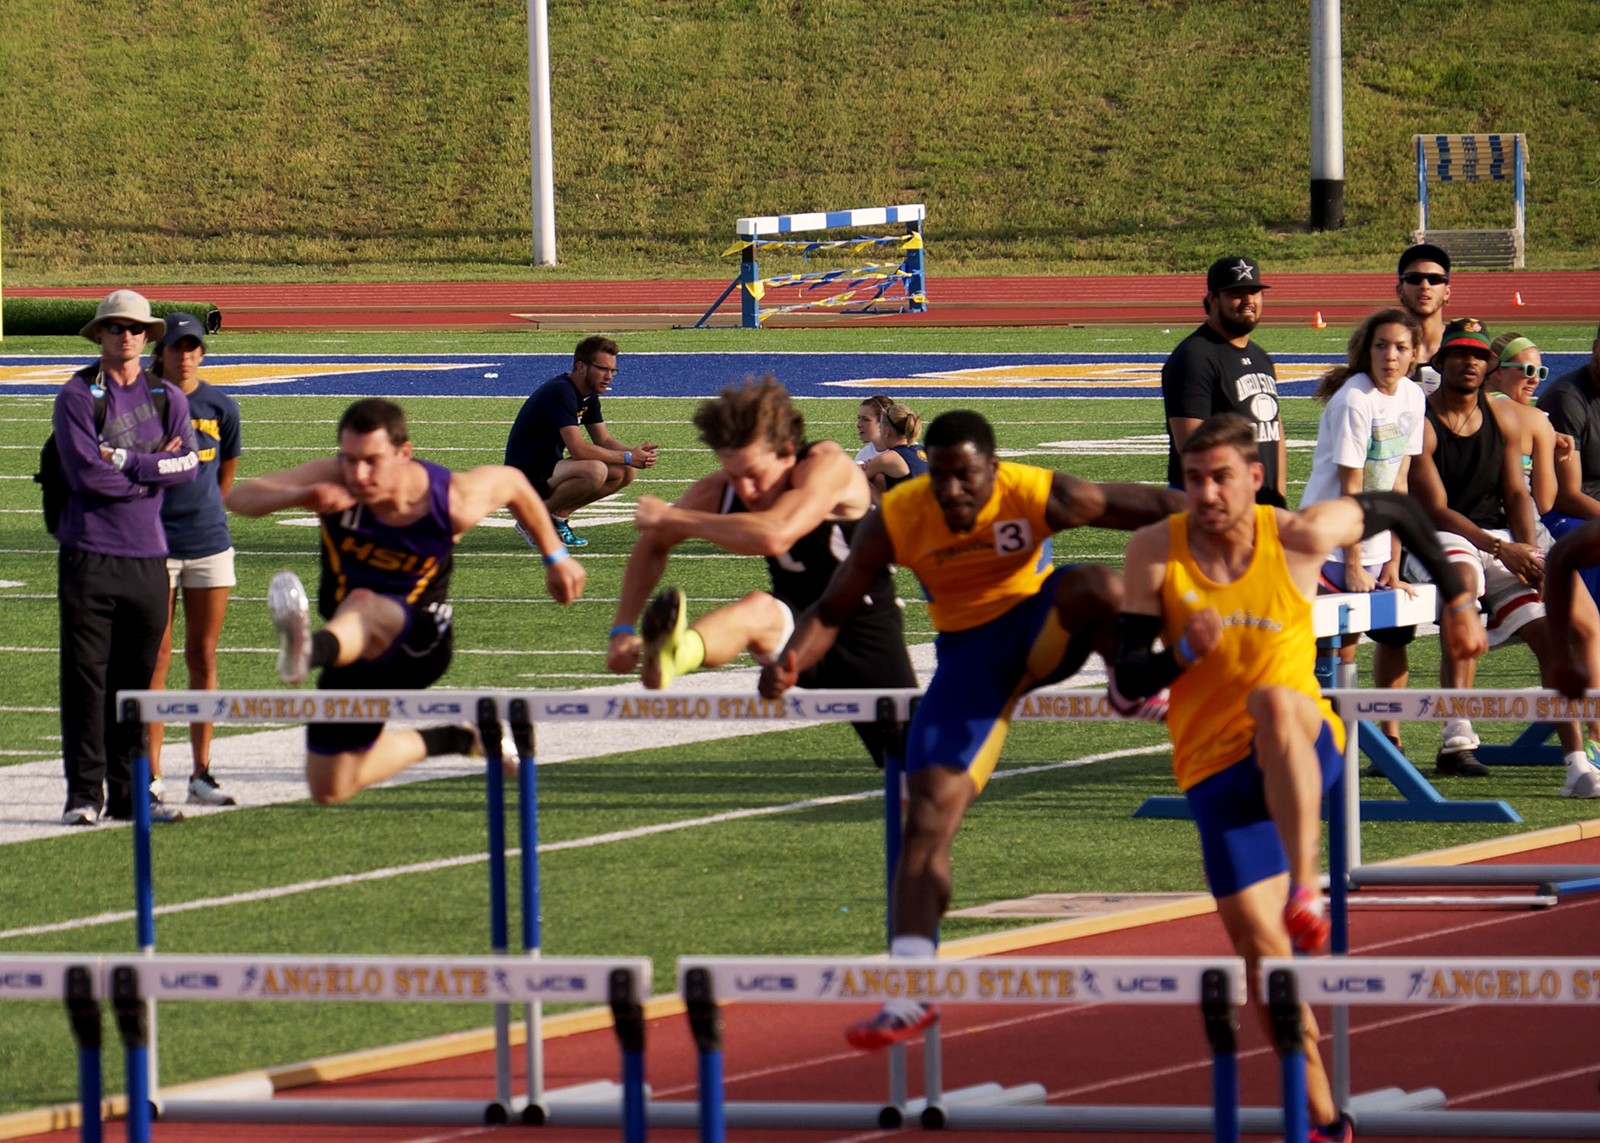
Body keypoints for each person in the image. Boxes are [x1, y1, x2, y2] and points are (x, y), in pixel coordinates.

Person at [1113, 412, 1485, 1143]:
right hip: (1213, 769)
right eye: (1192, 479)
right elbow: (1126, 685)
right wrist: (1180, 654)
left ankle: (1309, 887)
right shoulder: (1156, 551)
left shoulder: (1299, 534)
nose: (1206, 493)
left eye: (1220, 477)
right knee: (1264, 964)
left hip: (1302, 739)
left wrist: (1460, 599)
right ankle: (1323, 1117)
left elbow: (1401, 509)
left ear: (1255, 479)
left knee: (1276, 701)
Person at [758, 410, 1183, 1049]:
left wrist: (1235, 518)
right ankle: (909, 989)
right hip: (970, 663)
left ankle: (1129, 684)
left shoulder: (1034, 491)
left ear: (994, 469)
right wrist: (794, 658)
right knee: (925, 813)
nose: (953, 491)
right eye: (943, 478)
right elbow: (836, 604)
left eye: (967, 478)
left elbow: (1149, 503)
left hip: (1043, 629)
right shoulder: (901, 516)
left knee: (1094, 583)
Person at [225, 398, 587, 804]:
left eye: (372, 460)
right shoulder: (336, 478)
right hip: (350, 652)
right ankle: (455, 737)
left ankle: (307, 649)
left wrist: (556, 557)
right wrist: (306, 494)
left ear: (404, 453)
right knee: (330, 786)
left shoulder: (449, 500)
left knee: (364, 600)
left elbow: (515, 485)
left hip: (419, 639)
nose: (358, 474)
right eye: (348, 459)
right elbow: (241, 498)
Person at [607, 375, 916, 766]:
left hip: (863, 628)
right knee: (757, 609)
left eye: (753, 474)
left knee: (913, 769)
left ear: (786, 450)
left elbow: (776, 534)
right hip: (793, 627)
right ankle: (674, 654)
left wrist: (680, 519)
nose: (746, 491)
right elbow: (653, 542)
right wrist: (622, 628)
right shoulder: (724, 489)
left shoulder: (827, 466)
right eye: (734, 476)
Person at [1406, 319, 1600, 796]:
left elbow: (1518, 491)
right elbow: (1434, 509)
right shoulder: (1423, 420)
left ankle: (1578, 761)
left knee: (1553, 630)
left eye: (1476, 354)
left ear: (1487, 365)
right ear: (1440, 361)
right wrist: (1502, 548)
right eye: (1458, 354)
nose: (1468, 362)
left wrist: (1529, 553)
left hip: (1498, 535)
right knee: (1463, 585)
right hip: (1439, 534)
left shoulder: (1504, 419)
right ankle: (1457, 732)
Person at [55, 290, 199, 826]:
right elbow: (85, 474)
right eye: (115, 327)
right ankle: (85, 794)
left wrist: (127, 462)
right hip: (90, 555)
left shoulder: (168, 397)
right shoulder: (77, 395)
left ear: (147, 336)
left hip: (148, 559)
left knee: (137, 685)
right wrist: (148, 470)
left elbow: (186, 467)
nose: (126, 336)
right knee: (86, 680)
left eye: (135, 328)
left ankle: (132, 792)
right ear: (100, 334)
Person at [1298, 309, 1426, 758]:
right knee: (1329, 650)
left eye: (1400, 348)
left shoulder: (1412, 396)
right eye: (1380, 346)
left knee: (1349, 644)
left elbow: (1399, 485)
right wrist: (1352, 562)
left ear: (1415, 355)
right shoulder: (1356, 400)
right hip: (1328, 540)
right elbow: (1351, 491)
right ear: (1365, 350)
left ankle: (1343, 747)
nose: (1389, 356)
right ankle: (1322, 747)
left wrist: (1392, 561)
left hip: (1373, 544)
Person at [144, 313, 243, 808]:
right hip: (152, 545)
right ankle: (151, 775)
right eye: (176, 347)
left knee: (203, 657)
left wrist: (205, 512)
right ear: (160, 353)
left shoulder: (220, 404)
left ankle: (203, 771)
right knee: (154, 660)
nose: (185, 355)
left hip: (207, 541)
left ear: (202, 353)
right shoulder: (139, 403)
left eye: (192, 346)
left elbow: (226, 473)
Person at [503, 336, 658, 548]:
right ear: (581, 367)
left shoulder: (588, 394)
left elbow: (603, 439)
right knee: (595, 470)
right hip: (525, 472)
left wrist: (635, 454)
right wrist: (629, 456)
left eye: (613, 371)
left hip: (549, 466)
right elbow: (578, 449)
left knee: (625, 471)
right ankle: (530, 520)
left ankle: (558, 517)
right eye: (603, 369)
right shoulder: (561, 391)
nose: (608, 376)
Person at [1161, 256, 1286, 506]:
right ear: (1212, 301)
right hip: (1214, 509)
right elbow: (1193, 448)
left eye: (1254, 292)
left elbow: (1275, 432)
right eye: (1236, 294)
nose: (1249, 301)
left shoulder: (1260, 357)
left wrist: (1279, 498)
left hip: (1261, 506)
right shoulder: (1194, 358)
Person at [1395, 242, 1453, 393]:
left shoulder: (1460, 345)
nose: (1425, 286)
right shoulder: (1386, 350)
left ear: (1447, 291)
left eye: (1435, 279)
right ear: (1399, 290)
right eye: (1414, 278)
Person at [862, 401, 928, 496]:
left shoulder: (889, 458)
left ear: (886, 431)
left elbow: (851, 477)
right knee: (879, 479)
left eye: (880, 428)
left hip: (915, 509)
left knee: (868, 481)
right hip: (938, 508)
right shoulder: (924, 450)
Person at [854, 394, 893, 464]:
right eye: (859, 418)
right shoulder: (863, 456)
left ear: (883, 423)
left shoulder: (908, 452)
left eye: (866, 420)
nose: (858, 424)